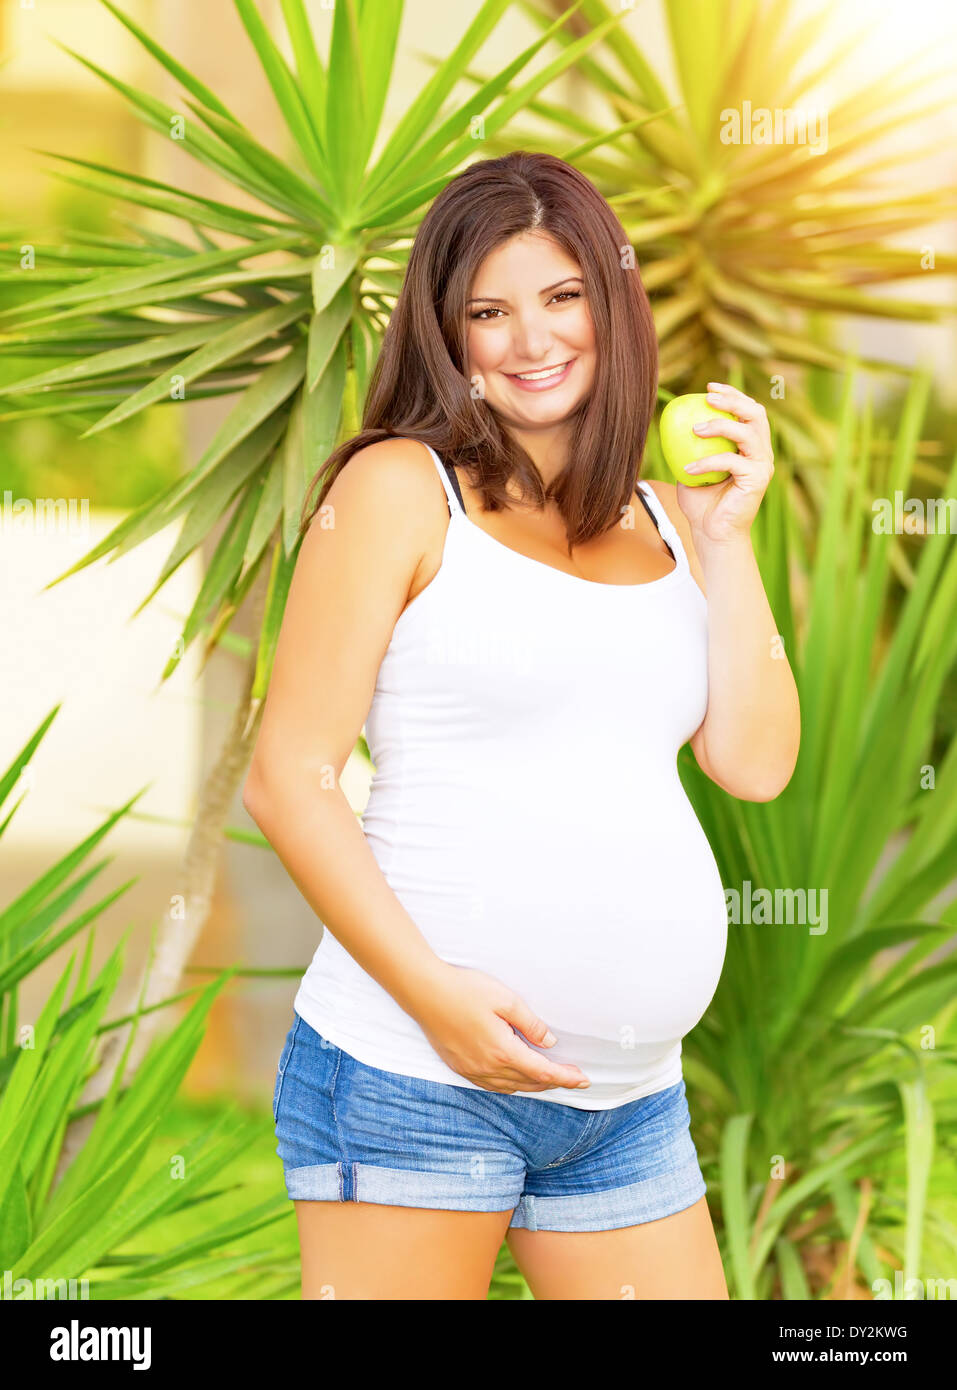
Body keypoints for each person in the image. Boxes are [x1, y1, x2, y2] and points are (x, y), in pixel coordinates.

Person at [243, 150, 799, 1300]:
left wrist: (728, 539)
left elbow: (752, 762)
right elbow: (288, 777)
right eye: (489, 311)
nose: (531, 341)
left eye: (562, 298)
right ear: (448, 332)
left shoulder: (672, 517)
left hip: (629, 1100)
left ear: (614, 303)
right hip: (411, 1073)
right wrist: (438, 1001)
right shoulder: (400, 488)